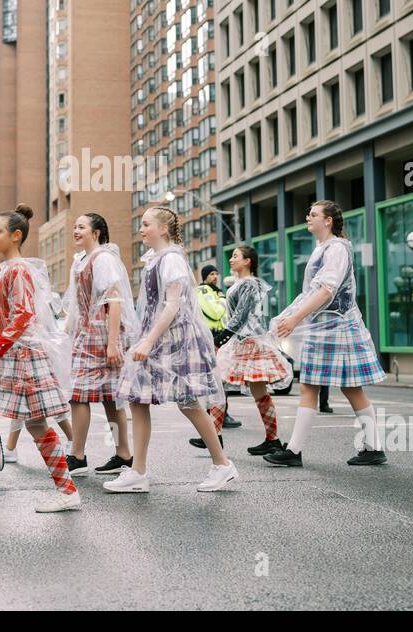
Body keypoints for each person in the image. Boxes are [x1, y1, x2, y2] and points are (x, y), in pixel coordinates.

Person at [0, 204, 80, 513]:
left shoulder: (18, 270)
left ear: (16, 235)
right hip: (15, 354)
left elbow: (23, 315)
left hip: (20, 355)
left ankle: (62, 490)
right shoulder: (11, 270)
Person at [105, 205, 239, 494]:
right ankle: (138, 471)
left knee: (188, 401)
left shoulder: (171, 259)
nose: (141, 229)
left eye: (146, 224)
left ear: (163, 229)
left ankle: (222, 464)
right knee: (136, 397)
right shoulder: (157, 258)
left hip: (175, 339)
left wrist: (148, 340)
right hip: (158, 337)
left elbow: (173, 305)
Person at [267, 201, 387, 467]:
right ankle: (371, 447)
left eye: (313, 214)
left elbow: (326, 290)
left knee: (339, 387)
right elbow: (312, 291)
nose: (307, 216)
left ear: (329, 220)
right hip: (326, 325)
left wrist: (295, 318)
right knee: (326, 386)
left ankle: (298, 450)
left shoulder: (336, 248)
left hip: (337, 325)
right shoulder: (323, 248)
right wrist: (291, 315)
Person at [63, 212, 135, 477]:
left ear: (96, 232)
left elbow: (114, 301)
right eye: (75, 226)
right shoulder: (81, 261)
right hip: (88, 334)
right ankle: (123, 454)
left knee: (80, 394)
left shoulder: (103, 259)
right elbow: (76, 303)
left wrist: (113, 343)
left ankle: (78, 455)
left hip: (103, 334)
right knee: (108, 398)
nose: (76, 231)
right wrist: (68, 330)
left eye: (81, 227)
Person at [211, 244, 291, 456]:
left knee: (237, 387)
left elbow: (242, 314)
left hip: (250, 343)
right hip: (243, 342)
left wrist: (222, 337)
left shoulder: (250, 284)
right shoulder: (242, 283)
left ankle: (270, 439)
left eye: (235, 256)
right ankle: (214, 434)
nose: (231, 259)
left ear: (248, 261)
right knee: (224, 384)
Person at [198, 263, 241, 432]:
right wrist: (222, 299)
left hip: (219, 337)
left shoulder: (215, 291)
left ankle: (220, 413)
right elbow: (215, 312)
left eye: (216, 273)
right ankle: (216, 413)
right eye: (211, 274)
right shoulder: (203, 291)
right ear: (205, 276)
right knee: (214, 378)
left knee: (220, 377)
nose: (215, 277)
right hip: (209, 337)